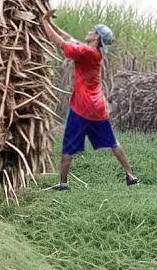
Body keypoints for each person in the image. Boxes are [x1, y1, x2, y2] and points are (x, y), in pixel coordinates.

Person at [42, 10, 139, 190]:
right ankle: (131, 175)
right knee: (112, 141)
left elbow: (60, 43)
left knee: (69, 144)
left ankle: (63, 183)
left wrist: (43, 23)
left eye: (92, 30)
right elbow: (69, 38)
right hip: (97, 107)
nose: (88, 31)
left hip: (81, 106)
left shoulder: (86, 52)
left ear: (96, 37)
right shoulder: (94, 52)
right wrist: (50, 22)